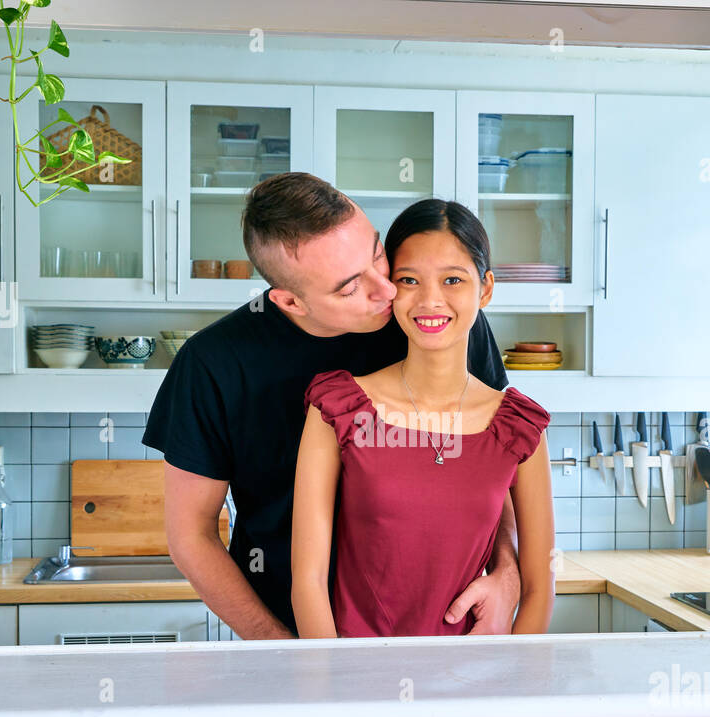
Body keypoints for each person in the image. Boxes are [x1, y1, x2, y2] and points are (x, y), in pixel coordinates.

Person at [142, 173, 519, 638]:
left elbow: (494, 463)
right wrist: (285, 650)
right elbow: (190, 536)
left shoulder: (432, 320)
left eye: (377, 253)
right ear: (289, 301)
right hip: (293, 633)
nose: (386, 289)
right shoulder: (212, 365)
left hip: (440, 630)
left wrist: (507, 572)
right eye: (349, 287)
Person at [291, 199, 555, 638]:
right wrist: (331, 687)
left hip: (477, 685)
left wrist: (514, 686)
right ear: (389, 288)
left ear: (485, 288)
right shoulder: (338, 408)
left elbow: (539, 590)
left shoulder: (518, 427)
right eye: (408, 280)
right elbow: (309, 583)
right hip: (359, 684)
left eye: (453, 279)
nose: (430, 300)